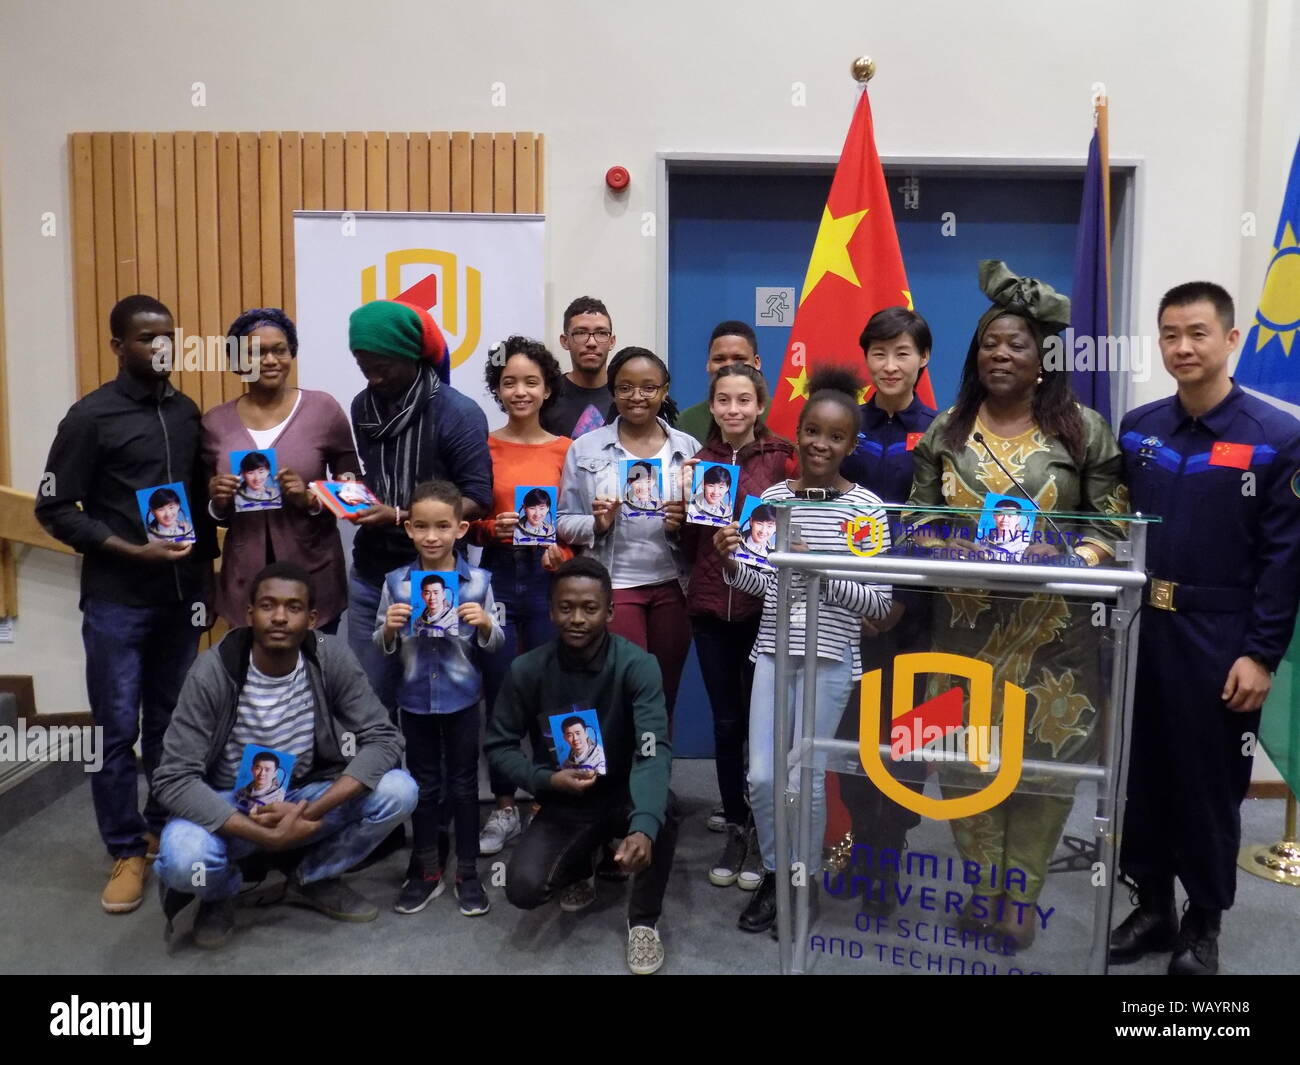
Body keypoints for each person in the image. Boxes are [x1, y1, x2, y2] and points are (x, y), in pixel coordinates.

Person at [907, 261, 1127, 949]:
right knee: (965, 761)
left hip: (1055, 640)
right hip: (962, 635)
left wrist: (1065, 561)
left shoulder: (1082, 429)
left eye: (1018, 344)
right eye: (990, 343)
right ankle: (983, 886)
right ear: (976, 356)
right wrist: (953, 552)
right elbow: (917, 518)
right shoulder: (946, 427)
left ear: (1041, 361)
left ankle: (1020, 899)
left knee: (1043, 766)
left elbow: (1112, 523)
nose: (1001, 353)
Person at [1111, 282, 1300, 976]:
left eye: (1196, 332)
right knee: (1144, 775)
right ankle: (1153, 905)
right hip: (1141, 631)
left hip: (1220, 635)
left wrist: (1261, 653)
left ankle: (1203, 921)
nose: (1182, 347)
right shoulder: (1139, 428)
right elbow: (1116, 527)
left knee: (1210, 780)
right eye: (1169, 334)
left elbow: (1285, 561)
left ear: (1230, 339)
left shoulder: (1278, 437)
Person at [36, 294, 216, 916]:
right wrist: (123, 549)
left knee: (172, 722)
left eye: (168, 336)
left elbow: (195, 503)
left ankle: (164, 825)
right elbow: (54, 509)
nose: (160, 347)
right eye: (146, 338)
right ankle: (124, 847)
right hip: (117, 599)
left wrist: (207, 579)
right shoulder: (89, 418)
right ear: (118, 346)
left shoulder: (188, 412)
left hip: (180, 600)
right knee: (115, 728)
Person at [153, 562, 417, 949]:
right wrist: (260, 834)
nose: (279, 617)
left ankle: (311, 877)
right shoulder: (212, 671)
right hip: (229, 802)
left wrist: (308, 813)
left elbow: (384, 738)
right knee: (182, 859)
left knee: (400, 791)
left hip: (305, 795)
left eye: (293, 607)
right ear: (249, 614)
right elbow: (172, 779)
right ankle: (219, 894)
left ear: (311, 619)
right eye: (267, 605)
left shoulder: (329, 656)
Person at [714, 367, 893, 933]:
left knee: (806, 778)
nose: (820, 444)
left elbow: (877, 604)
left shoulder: (866, 510)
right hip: (772, 650)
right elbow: (761, 584)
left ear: (850, 444)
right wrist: (729, 560)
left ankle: (804, 878)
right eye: (812, 431)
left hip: (833, 657)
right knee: (765, 777)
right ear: (799, 431)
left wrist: (816, 569)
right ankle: (774, 871)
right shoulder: (771, 497)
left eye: (834, 436)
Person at [485, 557, 678, 975]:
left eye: (590, 608)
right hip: (564, 796)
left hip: (624, 792)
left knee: (664, 810)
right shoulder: (526, 670)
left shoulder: (638, 666)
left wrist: (644, 824)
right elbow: (499, 746)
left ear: (609, 612)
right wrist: (544, 780)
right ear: (551, 610)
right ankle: (583, 863)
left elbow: (652, 750)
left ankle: (643, 920)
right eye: (566, 607)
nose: (577, 618)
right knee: (523, 888)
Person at [834, 307, 938, 917]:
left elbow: (942, 523)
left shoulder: (948, 428)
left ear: (923, 358)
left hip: (918, 611)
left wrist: (900, 600)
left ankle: (888, 856)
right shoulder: (847, 421)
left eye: (902, 352)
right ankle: (862, 841)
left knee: (907, 739)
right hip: (850, 609)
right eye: (877, 353)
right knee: (850, 738)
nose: (889, 364)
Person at [344, 299, 492, 717]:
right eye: (362, 362)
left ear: (411, 355)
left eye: (382, 363)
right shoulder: (362, 407)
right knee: (368, 701)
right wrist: (348, 494)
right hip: (372, 576)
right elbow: (377, 480)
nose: (371, 373)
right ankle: (381, 784)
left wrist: (402, 516)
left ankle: (428, 785)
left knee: (436, 703)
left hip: (435, 581)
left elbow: (478, 497)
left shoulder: (457, 412)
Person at [679, 362, 795, 886]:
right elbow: (683, 546)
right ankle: (737, 824)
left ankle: (770, 828)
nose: (733, 410)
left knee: (763, 727)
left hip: (762, 611)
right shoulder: (693, 464)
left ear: (760, 405)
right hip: (708, 610)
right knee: (726, 723)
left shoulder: (782, 459)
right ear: (712, 405)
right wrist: (674, 518)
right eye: (723, 400)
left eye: (743, 400)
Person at [374, 480, 503, 916]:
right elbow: (380, 642)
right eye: (422, 526)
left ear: (461, 529)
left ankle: (467, 871)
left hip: (464, 700)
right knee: (423, 786)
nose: (432, 536)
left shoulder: (480, 582)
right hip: (413, 701)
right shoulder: (395, 583)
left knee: (465, 786)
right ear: (408, 529)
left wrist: (485, 623)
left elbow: (496, 643)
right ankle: (426, 869)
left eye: (442, 526)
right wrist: (390, 628)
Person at [558, 347, 700, 727]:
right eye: (625, 388)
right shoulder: (585, 448)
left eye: (648, 388)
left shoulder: (688, 449)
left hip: (673, 585)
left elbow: (706, 526)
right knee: (624, 686)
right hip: (616, 585)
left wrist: (683, 520)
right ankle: (622, 782)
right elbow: (562, 522)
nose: (637, 397)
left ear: (665, 391)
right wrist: (597, 523)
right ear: (612, 392)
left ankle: (655, 779)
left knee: (665, 689)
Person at [473, 337, 574, 857]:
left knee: (551, 695)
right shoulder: (481, 446)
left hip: (547, 583)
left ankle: (547, 805)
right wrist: (492, 527)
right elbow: (462, 523)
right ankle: (504, 805)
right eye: (509, 382)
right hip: (495, 577)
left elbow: (577, 528)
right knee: (501, 694)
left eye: (531, 381)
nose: (520, 391)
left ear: (548, 387)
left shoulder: (565, 450)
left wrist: (562, 550)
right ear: (496, 389)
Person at [203, 308, 361, 634]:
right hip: (245, 577)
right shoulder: (215, 423)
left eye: (279, 350)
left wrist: (310, 499)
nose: (270, 360)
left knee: (315, 677)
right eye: (257, 352)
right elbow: (206, 509)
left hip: (313, 574)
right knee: (250, 680)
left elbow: (354, 490)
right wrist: (217, 502)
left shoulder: (323, 410)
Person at [540, 296, 617, 439]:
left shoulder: (625, 396)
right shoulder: (546, 396)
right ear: (565, 341)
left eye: (601, 333)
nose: (592, 342)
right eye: (581, 333)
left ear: (612, 342)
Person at [675, 320, 763, 444]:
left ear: (757, 362)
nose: (729, 366)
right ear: (708, 364)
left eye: (739, 359)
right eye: (719, 359)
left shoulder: (780, 412)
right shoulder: (687, 421)